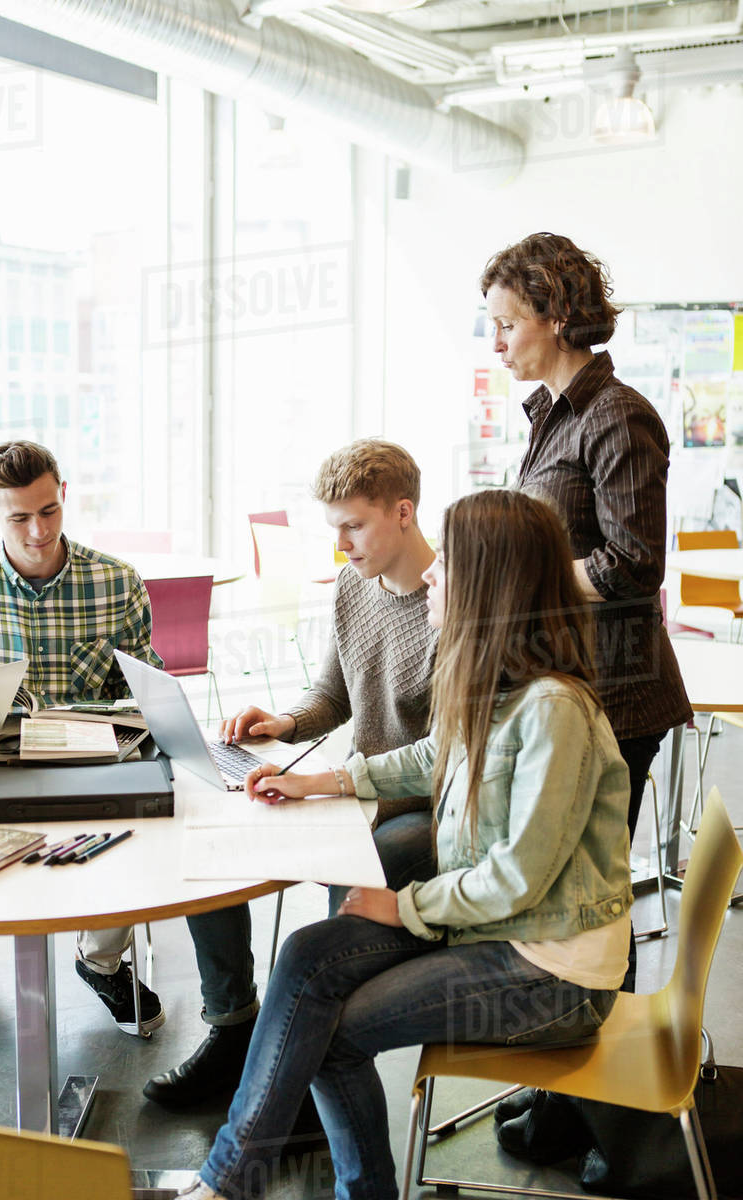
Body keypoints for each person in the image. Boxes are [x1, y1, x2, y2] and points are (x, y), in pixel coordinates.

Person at [177, 488, 632, 1200]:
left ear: (489, 582)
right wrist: (321, 781)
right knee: (308, 956)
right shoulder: (498, 683)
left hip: (554, 973)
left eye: (448, 564)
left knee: (334, 1033)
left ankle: (250, 1182)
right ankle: (230, 1180)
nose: (432, 577)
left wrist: (405, 906)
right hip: (497, 934)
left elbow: (518, 878)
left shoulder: (553, 710)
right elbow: (429, 758)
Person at [143, 438, 438, 1108]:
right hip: (356, 792)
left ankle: (304, 1078)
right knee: (213, 837)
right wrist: (282, 723)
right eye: (333, 529)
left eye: (353, 526)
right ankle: (233, 1027)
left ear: (403, 511)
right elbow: (332, 696)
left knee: (326, 931)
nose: (342, 546)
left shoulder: (452, 601)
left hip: (427, 807)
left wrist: (330, 784)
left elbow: (447, 758)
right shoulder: (353, 586)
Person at [480, 232, 692, 1154]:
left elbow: (636, 565)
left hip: (623, 699)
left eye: (506, 323)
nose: (495, 342)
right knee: (570, 898)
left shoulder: (617, 416)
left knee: (592, 904)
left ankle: (597, 1112)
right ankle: (565, 1088)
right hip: (575, 692)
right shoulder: (554, 414)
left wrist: (531, 578)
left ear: (555, 317)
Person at [0, 440, 165, 1036]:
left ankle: (100, 961)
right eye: (19, 517)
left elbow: (145, 690)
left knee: (145, 811)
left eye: (49, 510)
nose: (38, 531)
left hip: (92, 760)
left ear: (63, 495)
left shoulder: (117, 583)